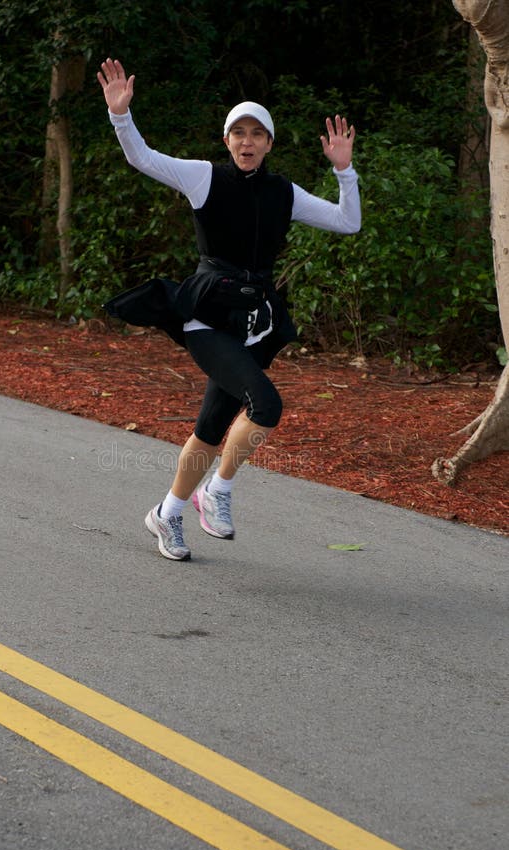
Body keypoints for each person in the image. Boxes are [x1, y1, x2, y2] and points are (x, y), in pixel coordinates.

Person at [97, 57, 360, 561]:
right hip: (207, 318)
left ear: (268, 143)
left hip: (254, 325)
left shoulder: (284, 193)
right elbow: (142, 158)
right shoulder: (203, 178)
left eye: (257, 134)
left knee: (211, 429)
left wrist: (344, 171)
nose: (247, 141)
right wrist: (121, 116)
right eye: (238, 132)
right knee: (266, 405)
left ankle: (167, 514)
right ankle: (216, 490)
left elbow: (348, 222)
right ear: (227, 141)